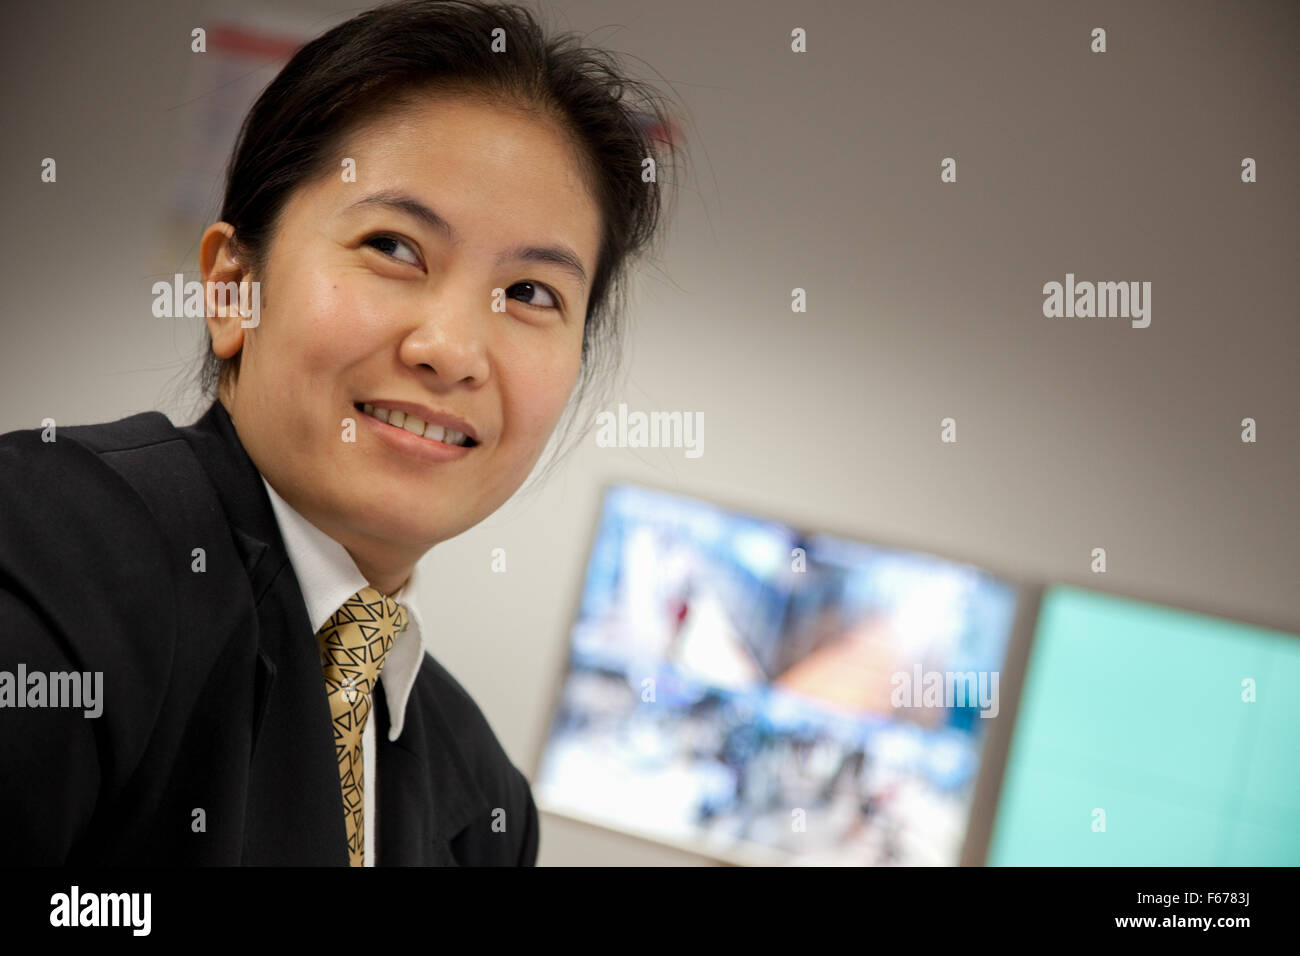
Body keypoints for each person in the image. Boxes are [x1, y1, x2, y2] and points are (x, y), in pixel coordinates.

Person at [0, 0, 678, 865]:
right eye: (394, 247)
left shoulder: (484, 803)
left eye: (531, 294)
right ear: (233, 289)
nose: (452, 351)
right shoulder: (55, 555)